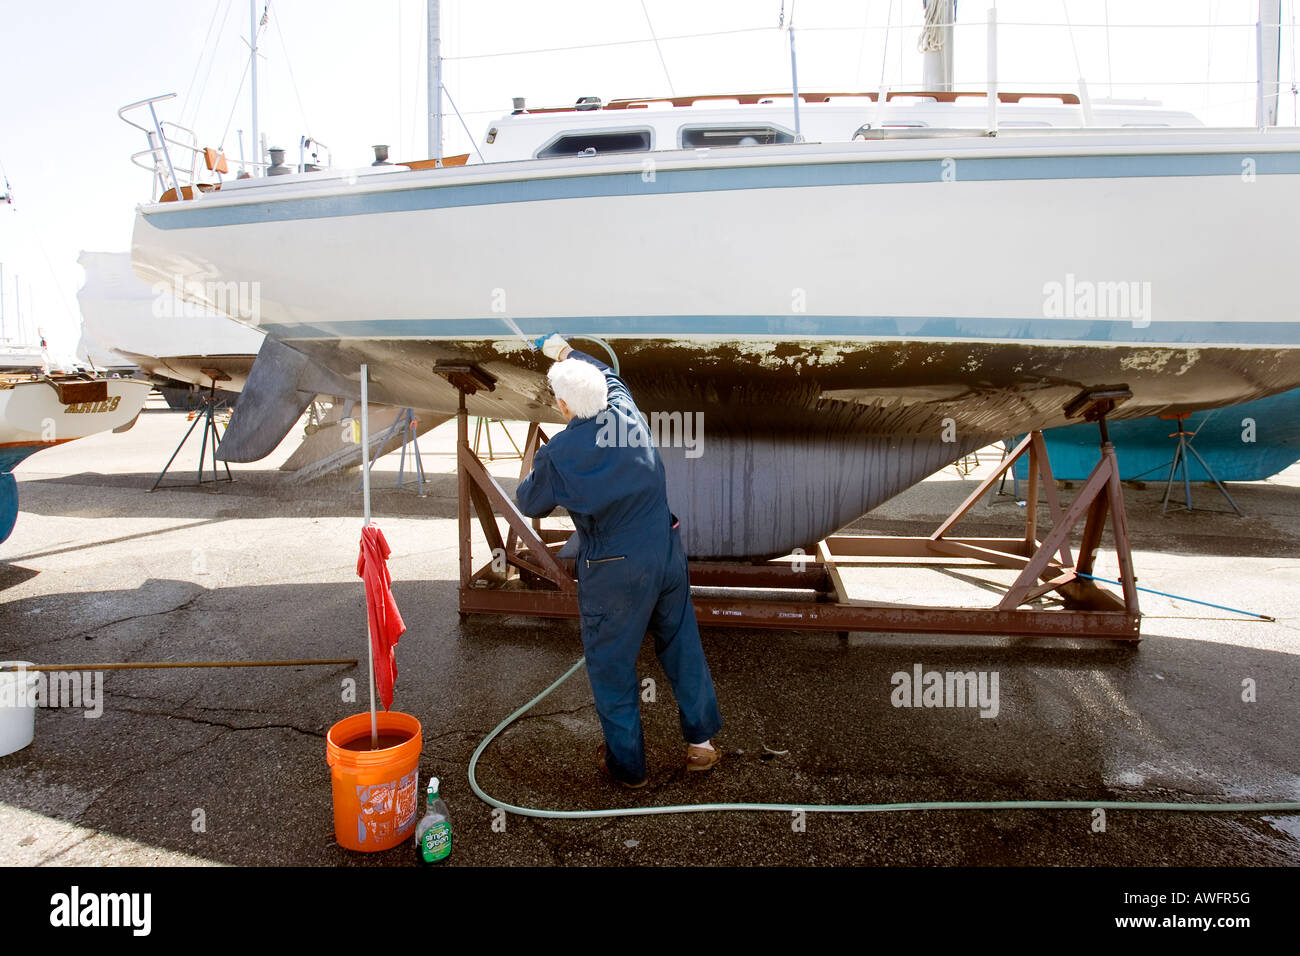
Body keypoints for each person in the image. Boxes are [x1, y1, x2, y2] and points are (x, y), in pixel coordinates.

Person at [516, 335, 722, 788]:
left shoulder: (559, 455)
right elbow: (610, 376)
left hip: (614, 567)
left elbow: (528, 502)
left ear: (565, 406)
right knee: (681, 644)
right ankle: (701, 744)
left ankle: (628, 768)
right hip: (664, 549)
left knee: (612, 666)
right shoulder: (625, 414)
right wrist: (566, 351)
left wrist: (541, 460)